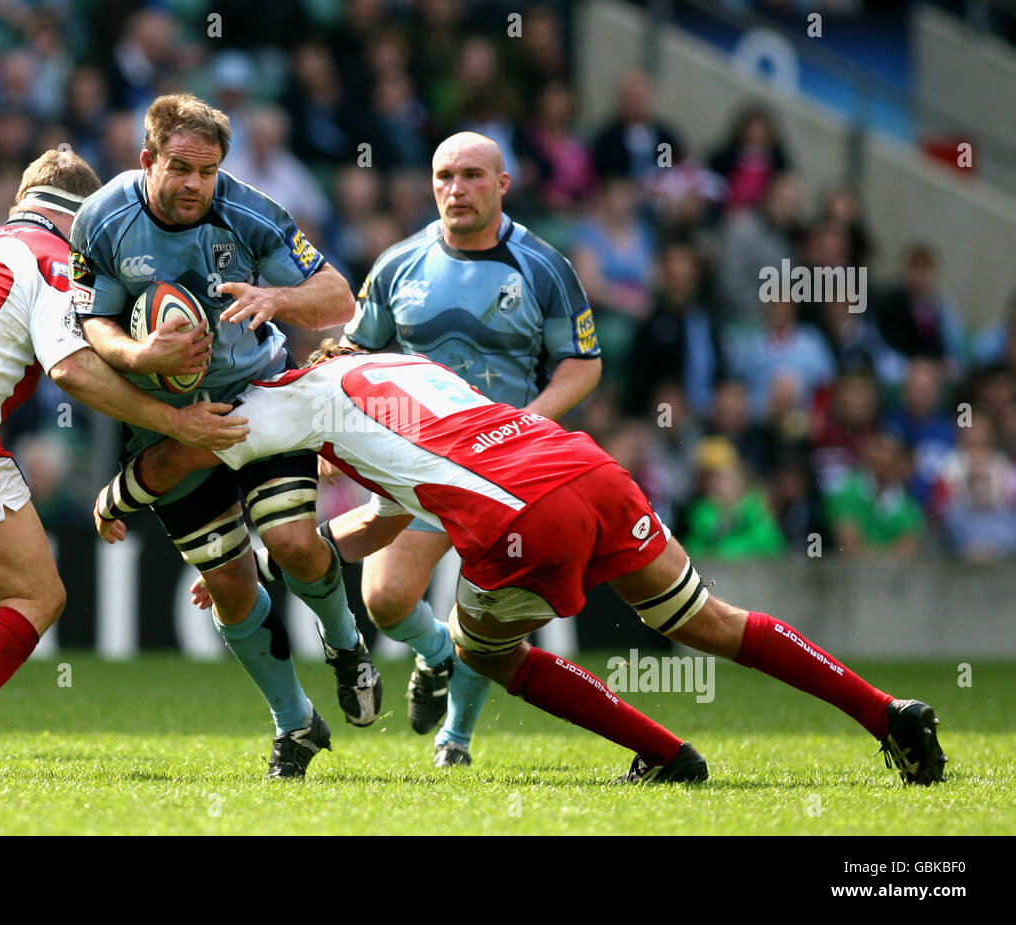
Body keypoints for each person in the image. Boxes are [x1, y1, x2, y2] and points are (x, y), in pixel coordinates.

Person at [96, 344, 948, 787]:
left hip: (522, 514)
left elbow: (197, 443)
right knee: (707, 620)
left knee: (487, 654)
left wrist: (124, 494)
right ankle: (888, 713)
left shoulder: (296, 396)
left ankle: (665, 752)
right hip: (587, 467)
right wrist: (276, 563)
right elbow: (388, 511)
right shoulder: (402, 370)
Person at [0, 149, 248, 775]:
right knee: (38, 594)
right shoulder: (58, 259)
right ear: (83, 215)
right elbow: (72, 369)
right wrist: (173, 418)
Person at [69, 93, 379, 779]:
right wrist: (136, 355)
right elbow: (93, 322)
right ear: (147, 158)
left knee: (296, 544)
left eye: (207, 171)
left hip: (257, 397)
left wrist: (278, 299)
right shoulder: (102, 220)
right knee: (233, 585)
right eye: (179, 167)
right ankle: (294, 723)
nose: (194, 185)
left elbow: (339, 294)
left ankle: (344, 641)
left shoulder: (247, 210)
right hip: (169, 423)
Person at [341, 131, 601, 766]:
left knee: (485, 617)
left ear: (503, 185)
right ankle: (433, 656)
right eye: (444, 176)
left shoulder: (544, 267)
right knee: (385, 599)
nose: (456, 189)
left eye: (473, 176)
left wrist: (527, 424)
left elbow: (584, 363)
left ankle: (455, 739)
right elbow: (355, 353)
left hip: (509, 469)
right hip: (418, 462)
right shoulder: (397, 264)